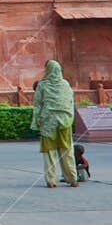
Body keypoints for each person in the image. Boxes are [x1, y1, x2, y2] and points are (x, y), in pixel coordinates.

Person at [29, 59, 77, 189]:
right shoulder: (65, 84)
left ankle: (51, 180)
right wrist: (70, 118)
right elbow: (70, 102)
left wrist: (36, 121)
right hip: (64, 121)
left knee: (50, 152)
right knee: (67, 150)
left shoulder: (42, 85)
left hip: (48, 122)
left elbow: (38, 104)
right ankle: (72, 178)